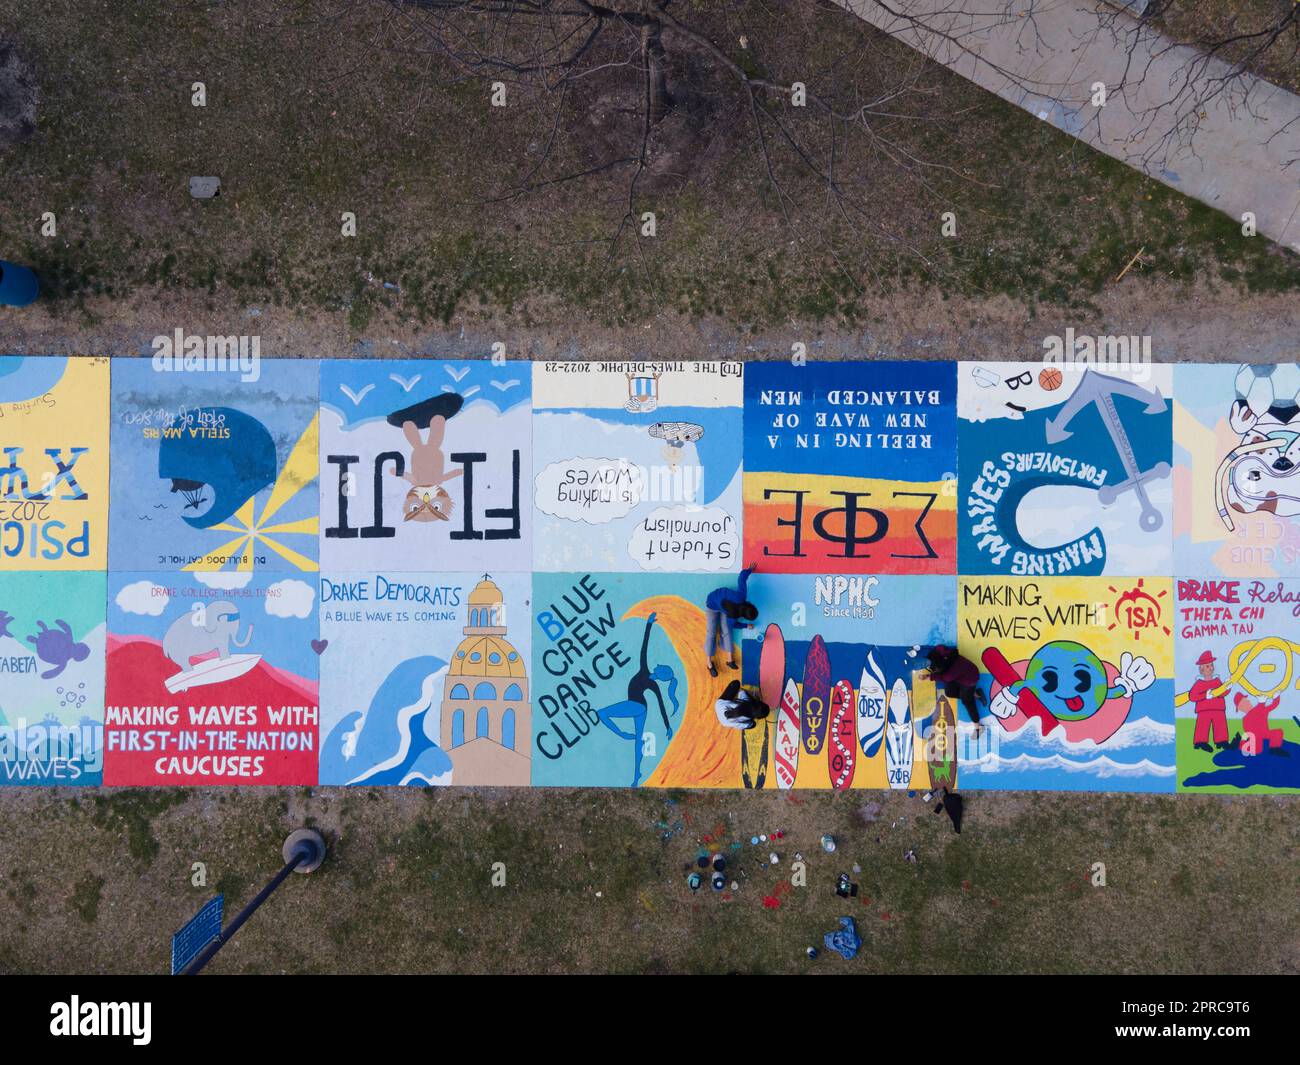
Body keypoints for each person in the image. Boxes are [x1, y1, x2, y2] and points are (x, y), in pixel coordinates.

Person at [595, 612, 680, 785]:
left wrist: (668, 726)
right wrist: (667, 726)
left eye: (662, 667)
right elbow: (644, 646)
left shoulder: (645, 672)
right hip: (641, 708)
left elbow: (644, 647)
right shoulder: (649, 677)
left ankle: (624, 735)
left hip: (636, 706)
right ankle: (636, 776)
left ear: (661, 672)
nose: (660, 665)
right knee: (638, 742)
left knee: (602, 713)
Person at [704, 563, 758, 678]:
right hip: (712, 603)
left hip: (725, 608)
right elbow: (734, 624)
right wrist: (745, 626)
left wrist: (750, 570)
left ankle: (729, 659)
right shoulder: (733, 616)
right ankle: (709, 663)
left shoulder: (741, 597)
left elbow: (742, 576)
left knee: (727, 631)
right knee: (711, 633)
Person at [924, 645, 985, 729]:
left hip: (970, 679)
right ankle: (973, 694)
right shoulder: (945, 653)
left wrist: (930, 677)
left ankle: (978, 726)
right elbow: (940, 648)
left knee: (967, 701)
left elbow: (944, 677)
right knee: (949, 692)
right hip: (962, 673)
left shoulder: (949, 675)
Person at [1189, 650, 1233, 752]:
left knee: (1220, 724)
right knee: (1202, 725)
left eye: (1211, 665)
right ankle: (1200, 743)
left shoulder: (1217, 681)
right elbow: (1192, 696)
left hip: (1218, 708)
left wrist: (1227, 687)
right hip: (1204, 710)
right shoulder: (1199, 683)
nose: (1211, 668)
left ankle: (1222, 741)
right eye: (1208, 666)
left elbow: (1222, 693)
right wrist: (1206, 695)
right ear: (1202, 669)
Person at [1236, 692, 1286, 756]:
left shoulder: (1262, 709)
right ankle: (1243, 745)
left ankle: (1274, 749)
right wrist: (1261, 703)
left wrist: (1276, 698)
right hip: (1255, 736)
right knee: (1257, 750)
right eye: (1244, 703)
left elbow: (1273, 706)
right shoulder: (1246, 718)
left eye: (1247, 701)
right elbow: (1249, 729)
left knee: (1278, 732)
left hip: (1265, 732)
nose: (1248, 702)